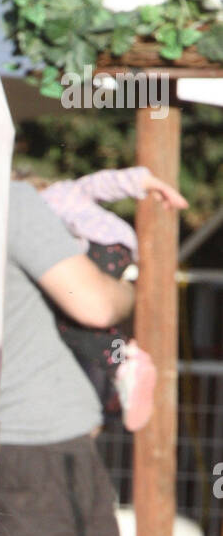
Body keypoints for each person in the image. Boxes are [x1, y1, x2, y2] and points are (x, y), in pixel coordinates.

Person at [0, 178, 137, 536]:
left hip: (7, 442)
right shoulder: (9, 198)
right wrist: (129, 288)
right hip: (41, 449)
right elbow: (94, 303)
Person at [39, 166, 186, 434]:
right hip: (118, 249)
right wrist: (151, 182)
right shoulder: (68, 191)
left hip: (100, 248)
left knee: (68, 320)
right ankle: (124, 360)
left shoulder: (42, 201)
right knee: (92, 327)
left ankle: (122, 366)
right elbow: (105, 183)